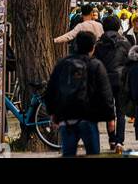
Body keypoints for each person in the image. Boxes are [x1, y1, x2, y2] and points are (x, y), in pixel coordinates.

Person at [43, 29, 116, 157]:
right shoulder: (95, 65)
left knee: (68, 154)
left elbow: (51, 90)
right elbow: (106, 93)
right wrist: (110, 118)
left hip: (67, 118)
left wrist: (52, 113)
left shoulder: (62, 64)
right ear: (93, 47)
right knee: (93, 154)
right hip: (88, 117)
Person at [94, 15, 132, 149]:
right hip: (121, 80)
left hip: (105, 81)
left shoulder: (99, 44)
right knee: (121, 112)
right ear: (118, 26)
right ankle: (120, 142)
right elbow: (130, 61)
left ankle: (111, 139)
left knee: (109, 112)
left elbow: (95, 63)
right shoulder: (125, 42)